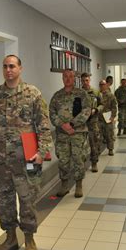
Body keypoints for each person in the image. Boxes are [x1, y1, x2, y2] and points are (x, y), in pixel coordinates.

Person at [0, 55, 52, 250]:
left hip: (27, 157)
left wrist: (42, 151)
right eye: (5, 66)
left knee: (27, 199)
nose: (8, 70)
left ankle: (29, 239)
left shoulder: (32, 94)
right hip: (1, 159)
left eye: (12, 66)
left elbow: (44, 126)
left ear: (20, 68)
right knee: (5, 200)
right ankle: (10, 238)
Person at [49, 69, 91, 198]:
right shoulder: (57, 96)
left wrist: (72, 124)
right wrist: (63, 125)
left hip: (77, 132)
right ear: (62, 78)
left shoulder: (82, 94)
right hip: (62, 134)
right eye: (65, 76)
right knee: (63, 160)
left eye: (70, 76)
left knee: (78, 158)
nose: (68, 79)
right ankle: (64, 185)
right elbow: (52, 113)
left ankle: (78, 185)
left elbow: (86, 111)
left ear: (74, 78)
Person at [81, 72, 102, 172]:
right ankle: (82, 164)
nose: (85, 82)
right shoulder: (78, 92)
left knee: (94, 143)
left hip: (93, 122)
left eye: (87, 80)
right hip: (81, 123)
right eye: (83, 80)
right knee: (81, 144)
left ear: (89, 80)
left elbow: (101, 104)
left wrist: (96, 110)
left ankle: (94, 163)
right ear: (81, 81)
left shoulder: (96, 92)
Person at [98, 80, 118, 156]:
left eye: (103, 84)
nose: (102, 86)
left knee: (109, 134)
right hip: (98, 118)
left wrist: (113, 116)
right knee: (98, 135)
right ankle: (98, 150)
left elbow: (114, 107)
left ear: (106, 85)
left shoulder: (111, 95)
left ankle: (110, 149)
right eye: (100, 84)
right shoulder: (97, 95)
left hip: (107, 117)